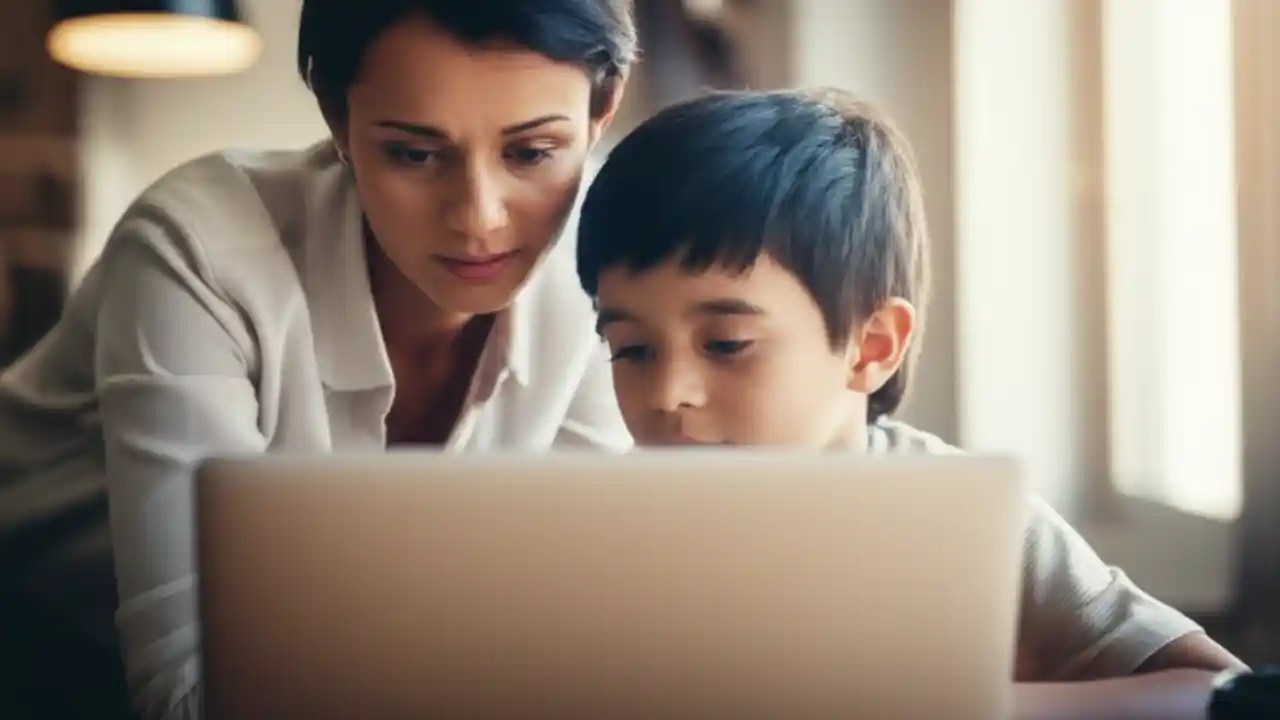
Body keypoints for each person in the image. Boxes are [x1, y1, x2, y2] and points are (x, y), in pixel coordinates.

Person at [0, 1, 636, 717]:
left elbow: (562, 623)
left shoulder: (611, 259)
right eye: (416, 154)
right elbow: (189, 688)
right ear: (337, 117)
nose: (479, 217)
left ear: (602, 108)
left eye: (530, 153)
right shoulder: (200, 248)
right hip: (35, 631)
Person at [575, 88, 1249, 719]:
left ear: (871, 347)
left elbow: (1225, 693)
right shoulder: (581, 534)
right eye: (632, 350)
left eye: (726, 343)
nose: (667, 395)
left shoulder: (968, 519)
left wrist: (968, 705)